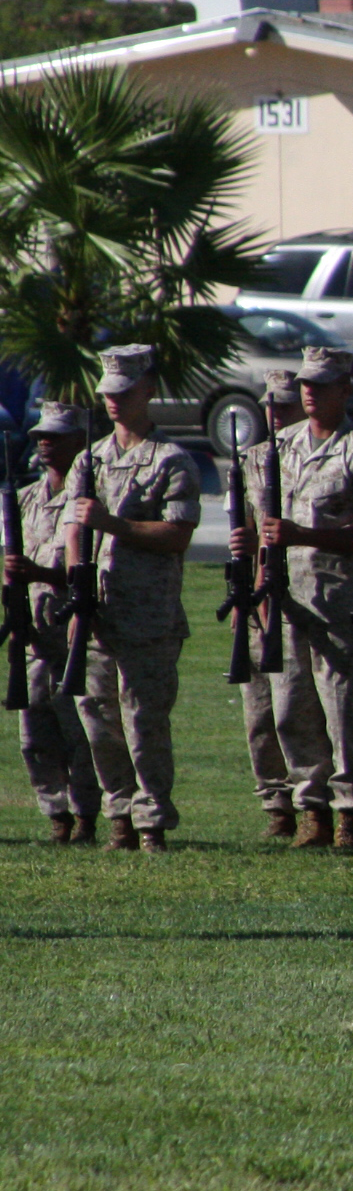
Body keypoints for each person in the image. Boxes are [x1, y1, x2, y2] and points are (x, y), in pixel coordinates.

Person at [57, 346, 202, 851]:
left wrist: (114, 524)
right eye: (108, 394)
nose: (114, 401)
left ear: (148, 390)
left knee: (143, 723)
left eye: (125, 392)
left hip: (149, 617)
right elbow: (72, 526)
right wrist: (77, 590)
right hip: (98, 613)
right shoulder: (90, 458)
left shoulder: (171, 460)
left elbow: (178, 533)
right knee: (98, 721)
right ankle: (118, 813)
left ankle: (151, 820)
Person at [263, 345, 353, 851]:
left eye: (322, 385)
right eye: (305, 384)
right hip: (286, 600)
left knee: (342, 707)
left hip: (338, 601)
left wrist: (302, 536)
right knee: (290, 707)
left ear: (345, 389)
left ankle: (347, 811)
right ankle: (311, 810)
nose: (309, 392)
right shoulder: (278, 448)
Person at [5, 402, 100, 843]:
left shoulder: (87, 503)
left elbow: (91, 570)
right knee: (34, 732)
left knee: (78, 730)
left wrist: (40, 574)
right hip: (34, 635)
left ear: (80, 441)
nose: (45, 441)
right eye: (42, 434)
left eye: (57, 435)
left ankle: (86, 813)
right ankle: (55, 813)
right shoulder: (25, 499)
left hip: (74, 633)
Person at [233, 369, 304, 836]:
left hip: (301, 595)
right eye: (269, 405)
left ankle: (315, 802)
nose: (275, 412)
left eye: (284, 403)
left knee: (298, 709)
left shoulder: (315, 458)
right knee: (258, 711)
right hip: (257, 597)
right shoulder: (251, 460)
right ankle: (276, 804)